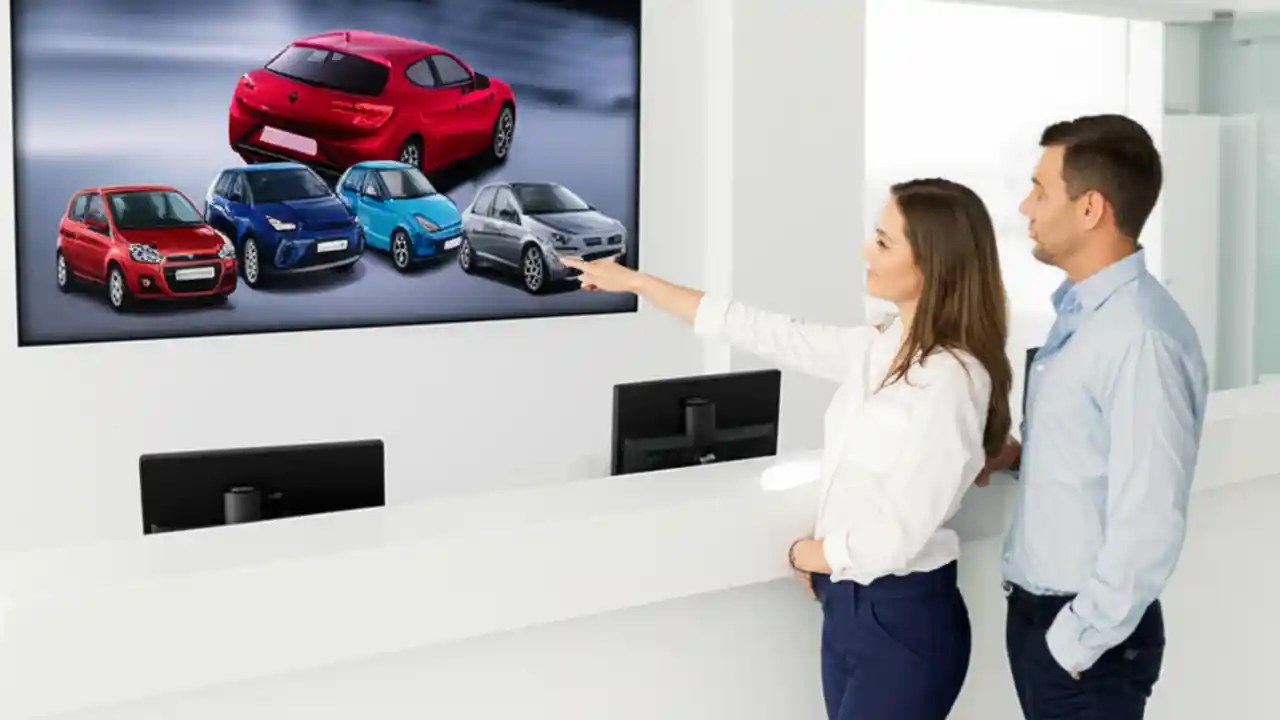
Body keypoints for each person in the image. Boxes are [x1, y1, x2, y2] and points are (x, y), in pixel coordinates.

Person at [563, 178, 1012, 720]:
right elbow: (762, 329)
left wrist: (811, 554)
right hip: (848, 609)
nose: (865, 251)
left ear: (933, 265)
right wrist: (633, 282)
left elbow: (898, 537)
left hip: (903, 615)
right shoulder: (881, 347)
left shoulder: (951, 380)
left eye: (884, 242)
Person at [984, 114, 1209, 719]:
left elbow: (1151, 517)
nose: (1026, 207)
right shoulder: (1085, 316)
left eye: (1041, 189)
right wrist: (1019, 458)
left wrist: (1073, 642)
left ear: (1090, 209)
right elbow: (1096, 453)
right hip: (1048, 626)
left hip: (1085, 643)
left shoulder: (1139, 337)